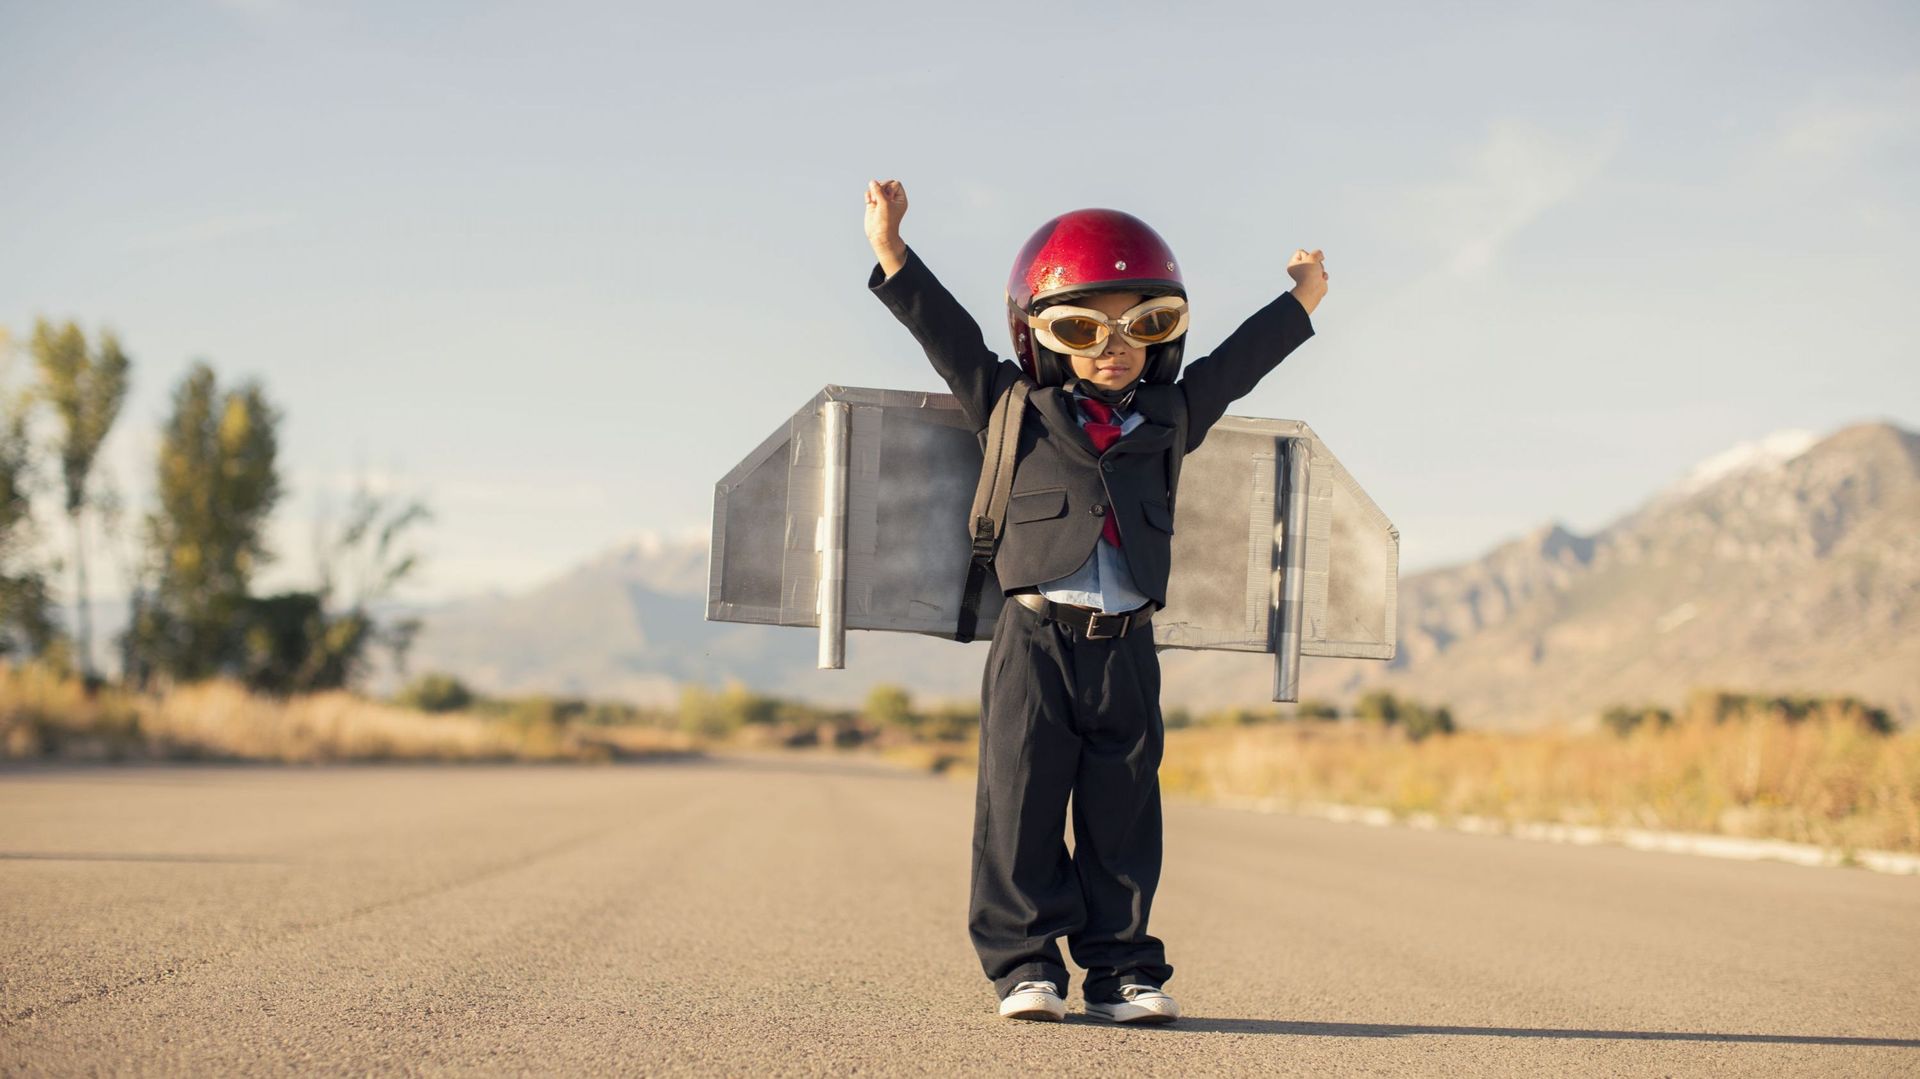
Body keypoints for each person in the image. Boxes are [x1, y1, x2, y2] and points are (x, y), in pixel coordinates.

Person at [863, 178, 1327, 1023]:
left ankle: (1122, 970)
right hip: (1034, 635)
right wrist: (892, 251)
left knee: (1124, 813)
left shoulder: (1174, 414)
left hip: (1126, 642)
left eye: (1142, 324)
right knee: (1021, 800)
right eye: (1084, 327)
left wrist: (1300, 301)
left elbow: (1239, 364)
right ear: (1042, 335)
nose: (1114, 346)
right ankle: (1026, 965)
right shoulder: (1013, 405)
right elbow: (948, 338)